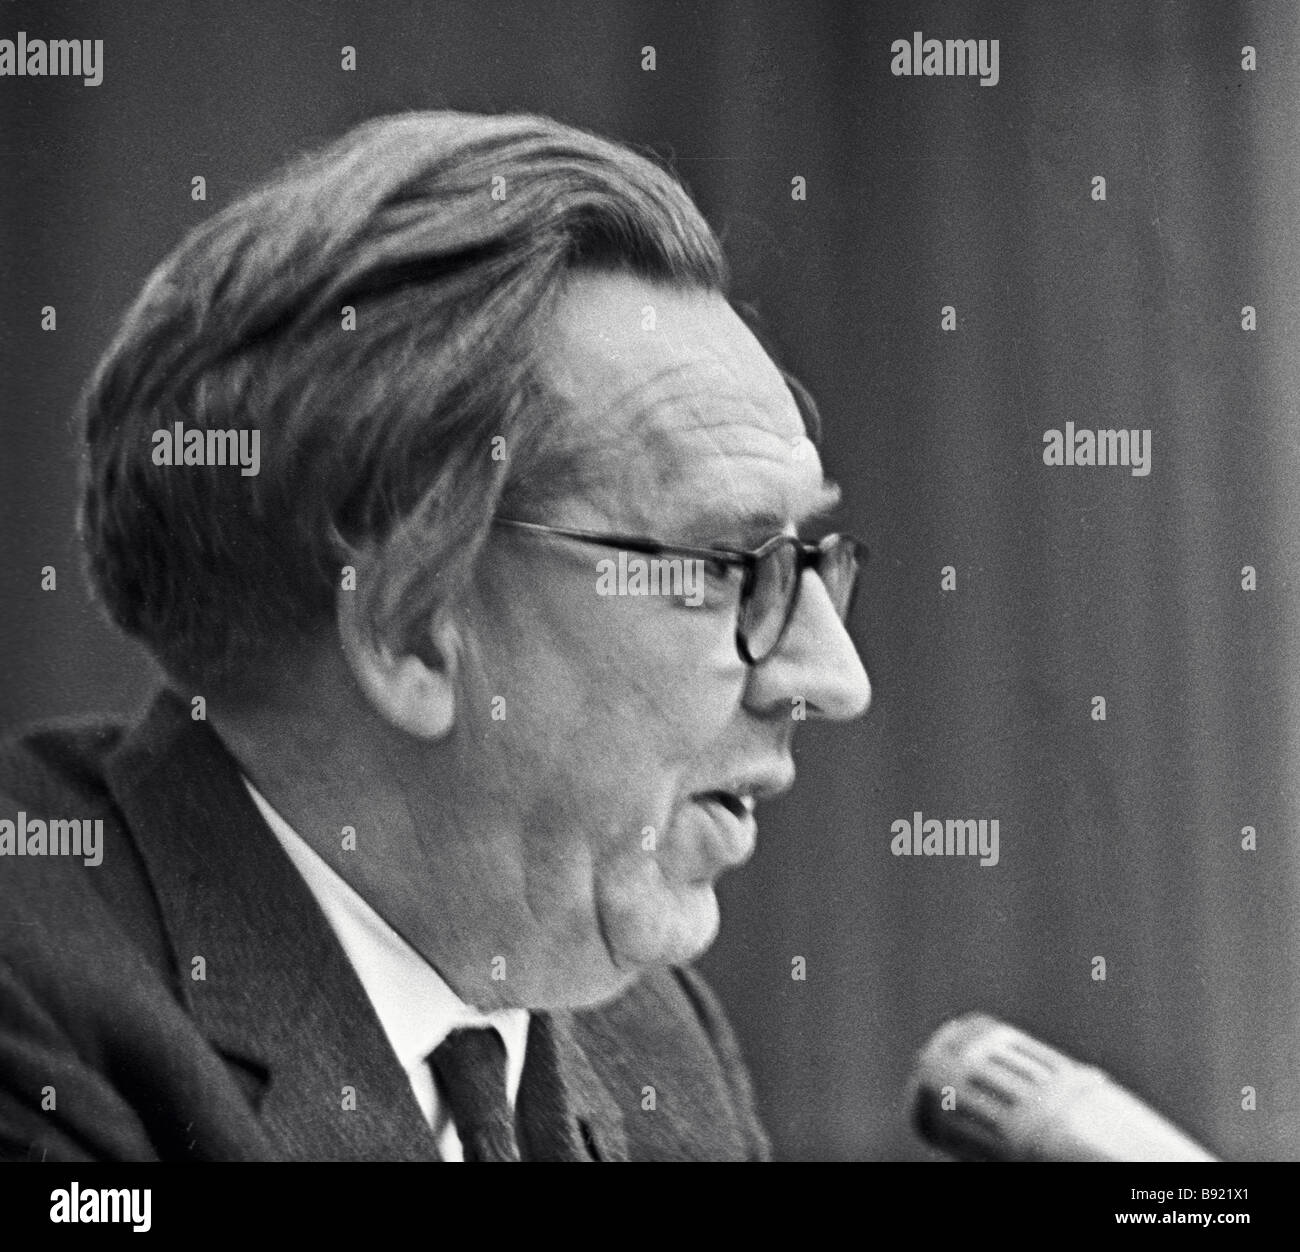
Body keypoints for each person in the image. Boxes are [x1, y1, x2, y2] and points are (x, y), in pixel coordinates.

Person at [0, 110, 871, 1161]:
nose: (830, 675)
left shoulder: (659, 1046)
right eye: (732, 567)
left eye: (811, 564)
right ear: (408, 620)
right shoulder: (37, 997)